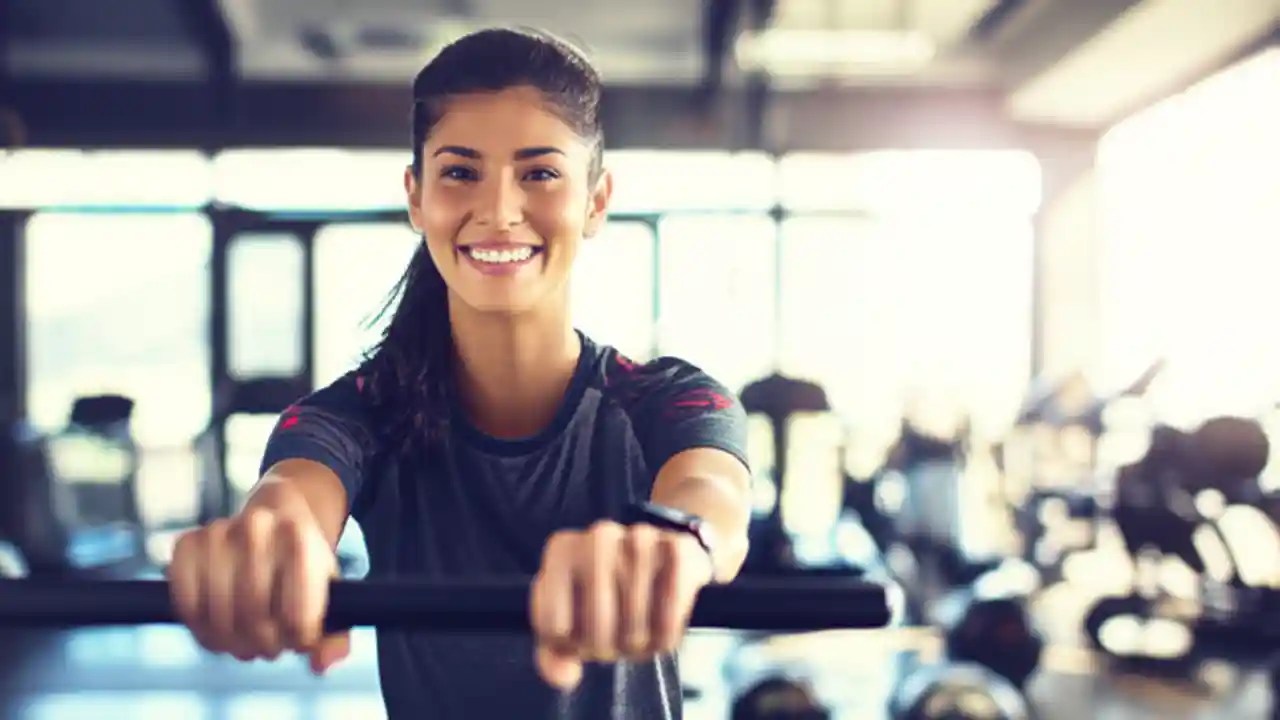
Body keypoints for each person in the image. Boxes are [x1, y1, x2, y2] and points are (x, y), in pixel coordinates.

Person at [166, 26, 753, 720]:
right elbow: (293, 495)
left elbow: (710, 493)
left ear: (596, 200)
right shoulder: (354, 415)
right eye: (460, 172)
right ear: (417, 196)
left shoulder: (674, 399)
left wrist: (675, 544)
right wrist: (270, 543)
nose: (500, 212)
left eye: (539, 173)